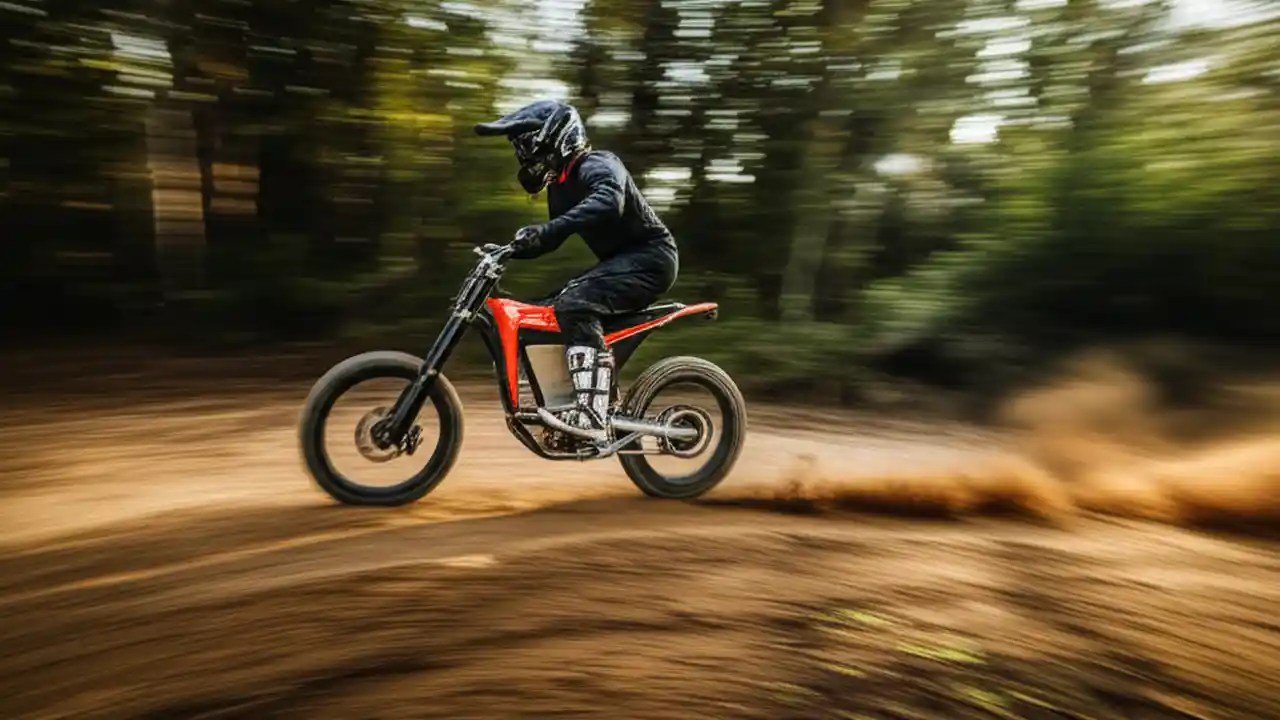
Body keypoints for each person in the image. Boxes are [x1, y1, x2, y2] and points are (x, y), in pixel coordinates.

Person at [475, 100, 678, 441]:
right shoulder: (560, 188)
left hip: (651, 259)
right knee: (547, 309)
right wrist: (510, 251)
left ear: (555, 138)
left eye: (528, 146)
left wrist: (548, 230)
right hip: (620, 264)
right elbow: (553, 237)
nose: (524, 157)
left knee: (574, 304)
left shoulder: (599, 163)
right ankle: (566, 400)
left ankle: (593, 415)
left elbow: (608, 202)